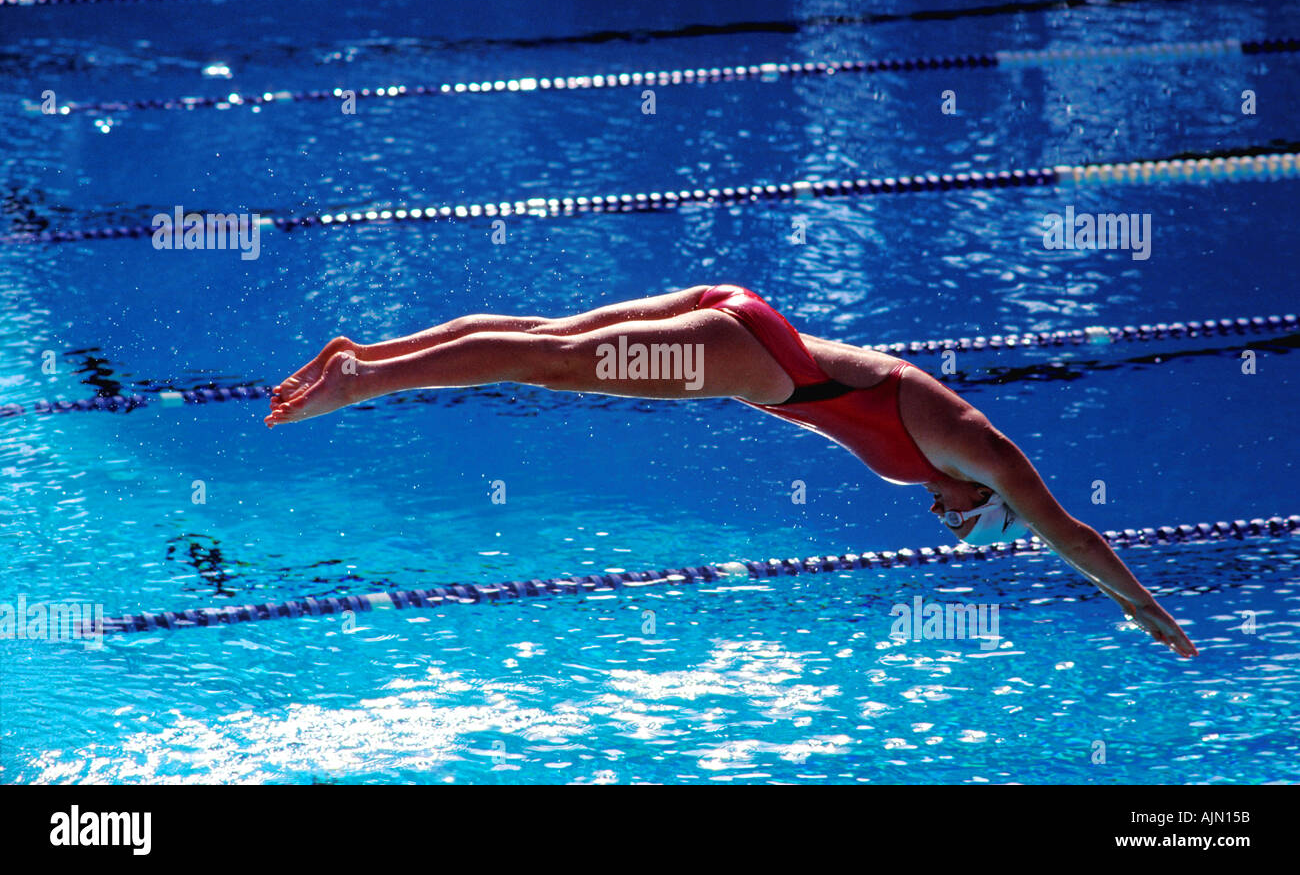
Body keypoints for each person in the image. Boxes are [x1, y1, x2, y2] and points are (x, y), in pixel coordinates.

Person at [266, 283, 1198, 657]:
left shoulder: (938, 467)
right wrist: (1145, 609)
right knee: (550, 363)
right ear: (986, 496)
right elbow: (1069, 531)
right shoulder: (977, 448)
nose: (947, 519)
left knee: (548, 341)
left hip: (742, 327)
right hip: (751, 360)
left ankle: (368, 354)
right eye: (967, 519)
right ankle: (364, 380)